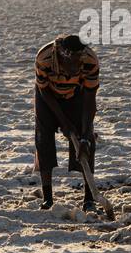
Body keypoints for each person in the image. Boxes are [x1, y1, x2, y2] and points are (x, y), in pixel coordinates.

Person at [34, 33, 99, 210]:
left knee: (87, 141)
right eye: (71, 65)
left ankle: (89, 199)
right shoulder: (44, 57)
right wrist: (63, 122)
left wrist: (85, 135)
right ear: (61, 59)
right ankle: (47, 197)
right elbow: (44, 91)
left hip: (76, 95)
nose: (75, 70)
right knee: (43, 137)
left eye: (78, 65)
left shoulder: (89, 60)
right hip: (47, 96)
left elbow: (89, 98)